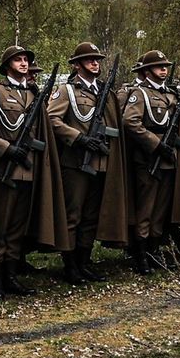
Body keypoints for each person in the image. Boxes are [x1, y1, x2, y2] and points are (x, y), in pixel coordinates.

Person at [0, 46, 65, 298]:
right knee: (1, 226)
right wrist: (6, 149)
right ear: (7, 65)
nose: (24, 63)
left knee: (17, 228)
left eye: (26, 59)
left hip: (29, 170)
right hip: (4, 170)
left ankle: (11, 275)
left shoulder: (33, 93)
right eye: (18, 60)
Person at [45, 42, 127, 285]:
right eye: (90, 60)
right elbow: (52, 119)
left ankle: (84, 261)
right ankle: (70, 265)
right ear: (77, 64)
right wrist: (79, 138)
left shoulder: (105, 92)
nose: (95, 63)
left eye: (97, 60)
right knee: (74, 215)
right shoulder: (67, 90)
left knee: (91, 216)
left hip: (100, 162)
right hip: (76, 162)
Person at [119, 51, 180, 274]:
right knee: (146, 207)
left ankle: (154, 250)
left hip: (168, 158)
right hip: (148, 158)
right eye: (158, 67)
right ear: (147, 71)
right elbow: (130, 121)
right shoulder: (140, 94)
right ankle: (141, 254)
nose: (163, 70)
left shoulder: (170, 94)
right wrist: (156, 144)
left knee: (161, 209)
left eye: (165, 66)